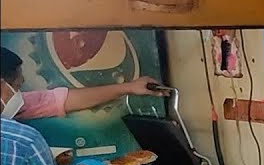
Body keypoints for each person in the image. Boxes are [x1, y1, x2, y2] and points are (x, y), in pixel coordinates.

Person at [1, 46, 163, 121]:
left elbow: (61, 100)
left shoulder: (17, 107)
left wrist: (129, 87)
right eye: (16, 87)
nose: (19, 93)